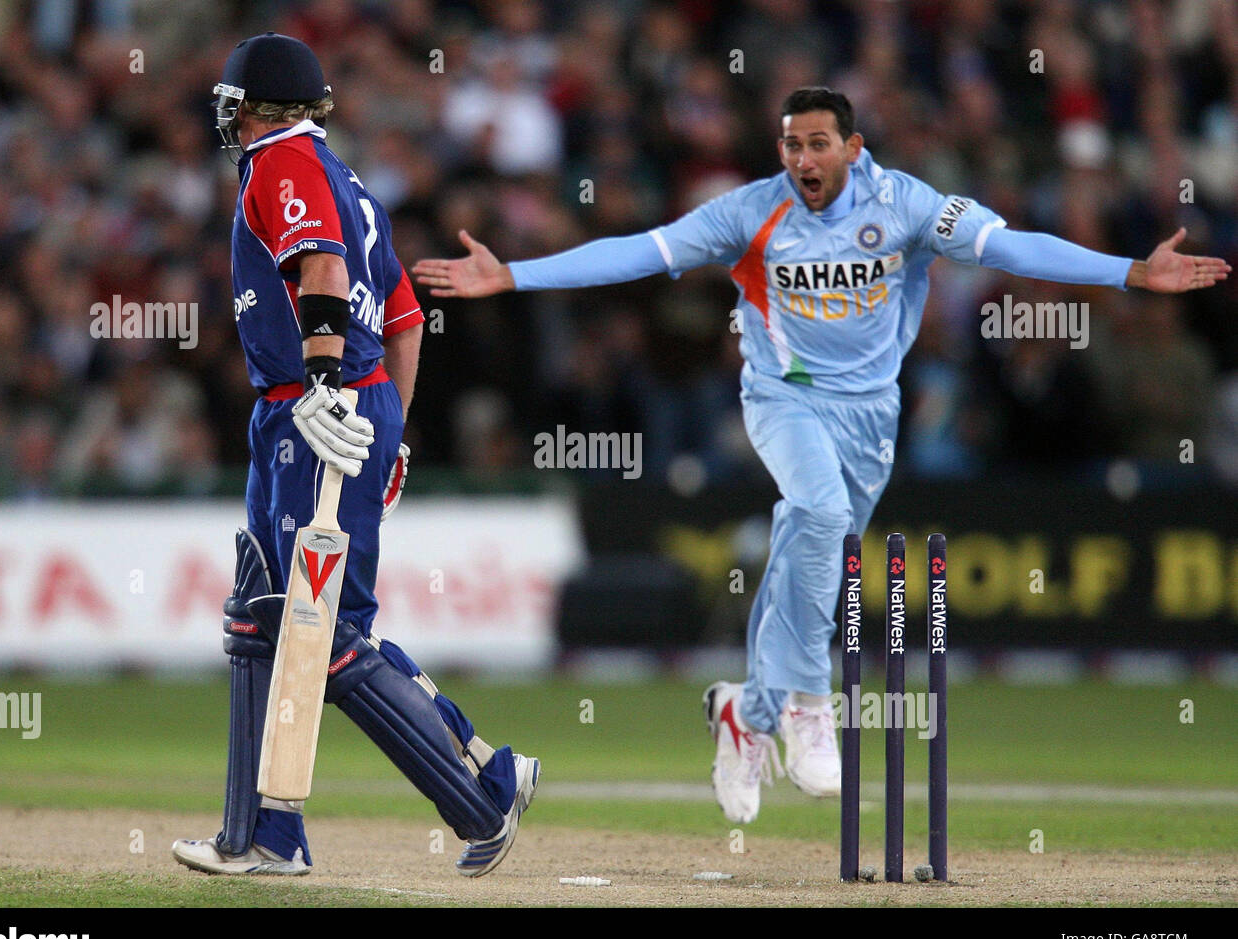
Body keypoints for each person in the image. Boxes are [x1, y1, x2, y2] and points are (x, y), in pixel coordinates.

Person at [413, 87, 1228, 824]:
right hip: (783, 396)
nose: (803, 160)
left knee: (809, 546)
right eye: (791, 145)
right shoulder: (751, 211)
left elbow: (1011, 248)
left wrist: (1130, 271)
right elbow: (639, 251)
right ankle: (809, 705)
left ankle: (745, 714)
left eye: (817, 144)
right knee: (820, 513)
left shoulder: (907, 204)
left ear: (852, 146)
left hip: (872, 413)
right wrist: (512, 275)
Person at [173, 33, 538, 876]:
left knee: (319, 626)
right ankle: (264, 832)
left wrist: (325, 384)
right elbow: (405, 320)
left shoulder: (281, 161)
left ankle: (479, 801)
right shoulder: (349, 181)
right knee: (263, 611)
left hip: (313, 404)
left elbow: (324, 271)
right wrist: (390, 427)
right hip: (326, 406)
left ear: (254, 108)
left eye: (234, 104)